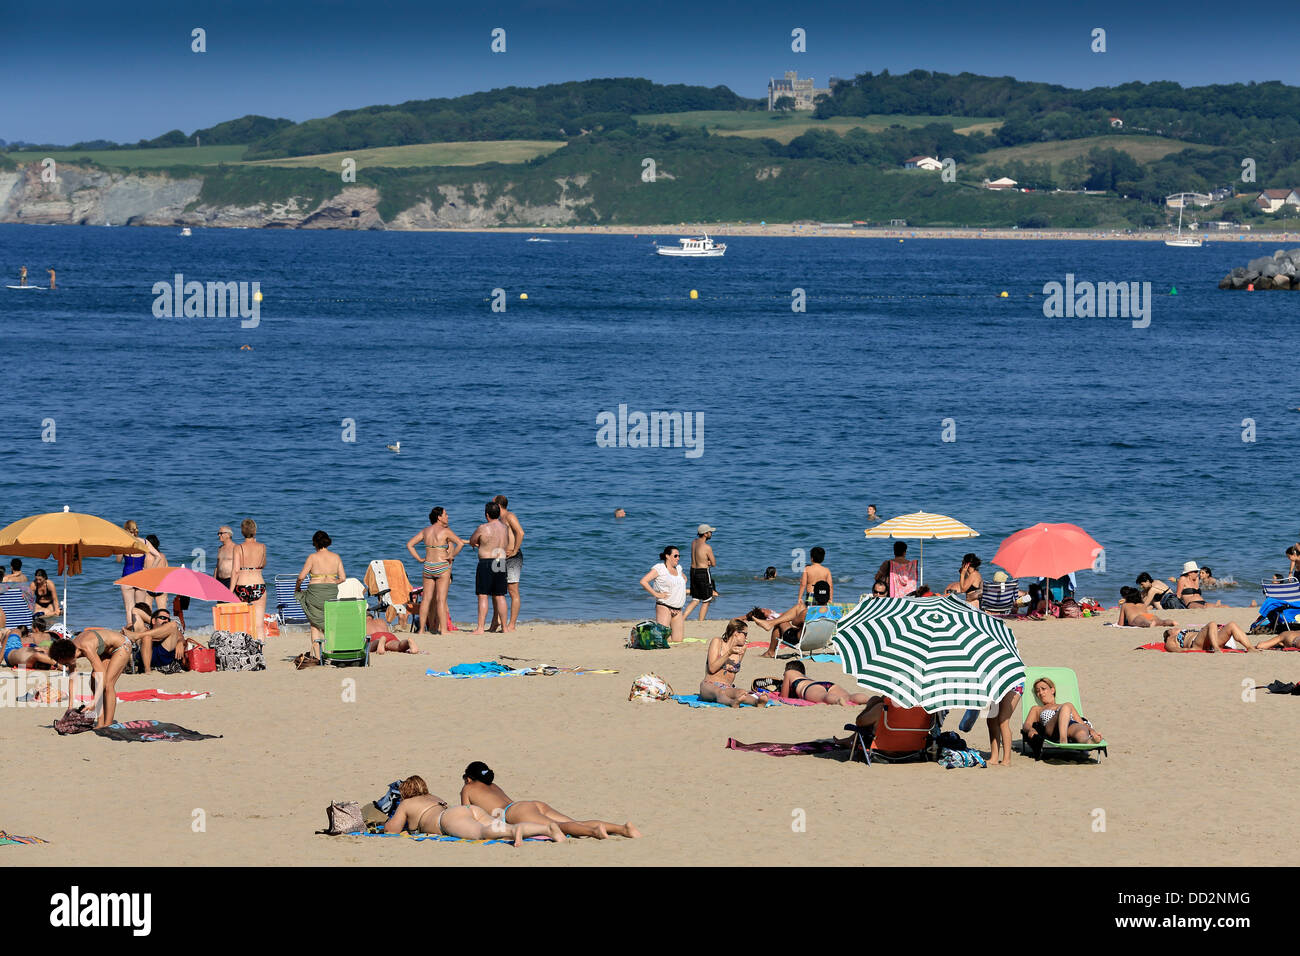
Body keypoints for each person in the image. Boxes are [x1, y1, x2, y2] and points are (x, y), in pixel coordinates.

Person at [460, 761, 641, 839]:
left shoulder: (468, 788)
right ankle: (622, 829)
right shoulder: (493, 786)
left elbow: (465, 814)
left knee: (560, 827)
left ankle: (594, 831)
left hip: (514, 812)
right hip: (529, 804)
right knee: (573, 822)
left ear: (469, 778)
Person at [383, 775, 565, 845]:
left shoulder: (407, 803)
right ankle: (547, 829)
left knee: (482, 832)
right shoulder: (434, 798)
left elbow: (392, 830)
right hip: (468, 810)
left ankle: (516, 830)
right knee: (497, 827)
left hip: (446, 820)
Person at [48, 627, 133, 728]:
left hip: (122, 645)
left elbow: (102, 675)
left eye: (65, 663)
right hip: (105, 651)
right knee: (93, 683)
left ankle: (108, 724)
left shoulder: (86, 647)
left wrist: (94, 701)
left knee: (108, 684)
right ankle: (100, 723)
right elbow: (73, 679)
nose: (66, 665)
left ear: (67, 657)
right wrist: (70, 707)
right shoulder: (69, 651)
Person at [405, 507, 466, 635]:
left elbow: (410, 544)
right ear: (439, 517)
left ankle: (421, 630)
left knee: (426, 599)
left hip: (428, 566)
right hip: (442, 566)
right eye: (445, 514)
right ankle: (443, 630)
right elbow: (460, 543)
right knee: (441, 599)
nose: (447, 516)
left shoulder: (425, 531)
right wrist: (451, 556)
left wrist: (419, 559)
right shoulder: (446, 531)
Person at [296, 531, 343, 660]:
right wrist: (334, 582)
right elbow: (343, 578)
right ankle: (332, 653)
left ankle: (318, 656)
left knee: (314, 624)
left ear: (315, 543)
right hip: (331, 592)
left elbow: (301, 577)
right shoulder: (336, 557)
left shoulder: (312, 557)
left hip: (315, 593)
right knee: (331, 623)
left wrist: (297, 589)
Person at [699, 619, 768, 707]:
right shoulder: (717, 642)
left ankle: (757, 702)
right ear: (736, 633)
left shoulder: (742, 649)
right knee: (719, 692)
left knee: (741, 693)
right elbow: (712, 669)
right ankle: (731, 703)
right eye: (745, 634)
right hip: (709, 685)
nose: (746, 637)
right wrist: (729, 653)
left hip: (727, 686)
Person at [468, 501, 510, 635]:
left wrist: (478, 543)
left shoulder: (483, 527)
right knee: (500, 596)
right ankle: (505, 627)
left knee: (483, 595)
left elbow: (472, 541)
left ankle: (480, 627)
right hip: (500, 560)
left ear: (487, 515)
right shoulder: (504, 528)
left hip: (487, 561)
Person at [1023, 676, 1103, 745]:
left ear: (1052, 690)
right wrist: (1031, 729)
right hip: (1052, 729)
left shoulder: (1066, 706)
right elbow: (1026, 724)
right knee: (1066, 706)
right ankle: (1063, 740)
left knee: (1081, 732)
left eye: (1043, 689)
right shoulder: (1037, 709)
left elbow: (1081, 722)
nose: (1040, 692)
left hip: (1070, 726)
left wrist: (1092, 731)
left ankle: (1088, 742)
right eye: (1037, 691)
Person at [639, 546, 687, 644]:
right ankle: (646, 630)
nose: (678, 558)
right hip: (665, 607)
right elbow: (643, 581)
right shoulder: (660, 568)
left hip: (678, 609)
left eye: (679, 556)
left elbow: (684, 579)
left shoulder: (678, 568)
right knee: (661, 639)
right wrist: (656, 594)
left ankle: (654, 629)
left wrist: (679, 592)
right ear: (667, 556)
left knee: (678, 640)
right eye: (675, 556)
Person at [230, 519, 268, 641]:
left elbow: (235, 571)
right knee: (259, 625)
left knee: (241, 624)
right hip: (258, 585)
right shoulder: (262, 547)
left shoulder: (238, 548)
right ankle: (259, 654)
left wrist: (230, 591)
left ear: (242, 532)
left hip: (242, 586)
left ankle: (245, 653)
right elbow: (263, 564)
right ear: (255, 531)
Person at [133, 608, 203, 674]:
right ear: (154, 620)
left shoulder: (172, 628)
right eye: (163, 618)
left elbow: (180, 637)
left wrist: (180, 642)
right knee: (147, 637)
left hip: (164, 653)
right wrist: (151, 620)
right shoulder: (146, 628)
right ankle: (147, 670)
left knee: (173, 625)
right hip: (147, 654)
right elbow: (134, 611)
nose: (166, 620)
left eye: (168, 619)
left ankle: (137, 636)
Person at [115, 521, 158, 624]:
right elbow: (158, 556)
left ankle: (131, 629)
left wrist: (119, 548)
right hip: (141, 577)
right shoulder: (145, 542)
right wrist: (149, 571)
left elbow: (118, 560)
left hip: (127, 577)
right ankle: (140, 630)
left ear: (126, 530)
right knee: (141, 607)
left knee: (129, 607)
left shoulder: (124, 543)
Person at [493, 495, 525, 633]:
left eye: (493, 504)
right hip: (499, 556)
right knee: (496, 590)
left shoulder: (509, 516)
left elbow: (520, 533)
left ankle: (511, 624)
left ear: (499, 506)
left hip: (512, 557)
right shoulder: (498, 519)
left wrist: (515, 550)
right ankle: (496, 621)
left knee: (512, 591)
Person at [780, 660, 871, 706]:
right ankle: (870, 700)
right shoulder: (805, 677)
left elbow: (784, 697)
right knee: (849, 697)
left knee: (824, 696)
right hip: (826, 684)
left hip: (810, 688)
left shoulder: (789, 673)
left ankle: (837, 700)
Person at [682, 524, 718, 622]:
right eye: (710, 532)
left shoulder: (693, 542)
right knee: (707, 599)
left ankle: (682, 618)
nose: (711, 533)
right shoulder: (707, 547)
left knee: (695, 599)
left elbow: (698, 556)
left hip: (693, 571)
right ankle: (701, 621)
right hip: (703, 572)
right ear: (705, 534)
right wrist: (709, 562)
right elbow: (714, 563)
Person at [986, 683, 1023, 767]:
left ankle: (1007, 759)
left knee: (1003, 720)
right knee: (991, 720)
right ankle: (994, 758)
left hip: (1013, 682)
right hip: (996, 682)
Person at [1162, 621, 1256, 653]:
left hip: (1209, 640)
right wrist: (1188, 650)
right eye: (1171, 629)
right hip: (1196, 644)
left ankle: (1250, 648)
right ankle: (1216, 648)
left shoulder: (1184, 631)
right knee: (1212, 624)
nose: (1174, 628)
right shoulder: (1171, 638)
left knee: (1231, 625)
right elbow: (1172, 649)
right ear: (1169, 633)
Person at [142, 534, 169, 613]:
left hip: (148, 586)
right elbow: (167, 573)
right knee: (163, 611)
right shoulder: (162, 556)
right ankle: (163, 625)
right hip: (161, 586)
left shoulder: (145, 556)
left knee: (147, 611)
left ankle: (149, 624)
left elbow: (142, 573)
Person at [215, 526, 237, 591]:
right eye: (218, 533)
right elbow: (217, 567)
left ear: (228, 535)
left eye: (221, 533)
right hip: (219, 580)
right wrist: (214, 580)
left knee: (230, 601)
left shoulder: (236, 548)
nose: (219, 535)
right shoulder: (220, 548)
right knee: (220, 601)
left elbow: (239, 567)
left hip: (230, 580)